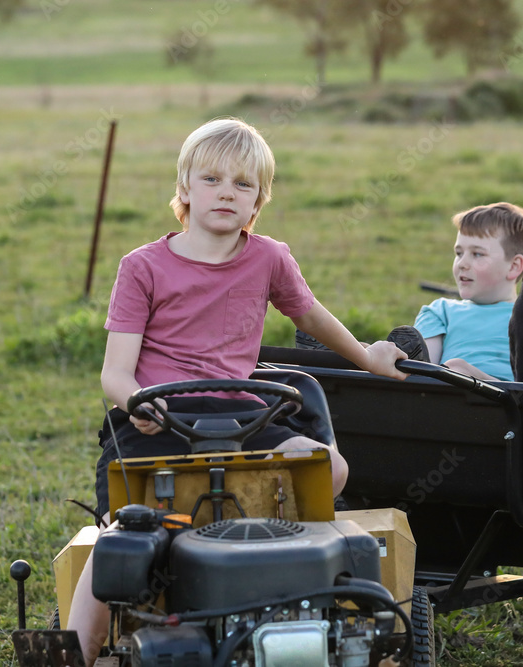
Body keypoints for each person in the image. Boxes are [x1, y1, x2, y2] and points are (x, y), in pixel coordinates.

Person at [69, 117, 409, 665]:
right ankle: (77, 650)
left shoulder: (269, 257)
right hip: (161, 421)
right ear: (184, 190)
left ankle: (302, 600)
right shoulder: (143, 267)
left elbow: (312, 315)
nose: (226, 192)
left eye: (242, 184)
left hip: (242, 418)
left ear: (257, 203)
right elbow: (115, 374)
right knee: (120, 533)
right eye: (211, 180)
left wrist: (367, 356)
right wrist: (139, 402)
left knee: (330, 469)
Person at [413, 202, 523, 381]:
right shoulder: (441, 312)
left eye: (477, 254)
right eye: (459, 253)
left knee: (457, 369)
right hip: (447, 397)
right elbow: (420, 374)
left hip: (513, 402)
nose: (462, 263)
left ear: (514, 266)